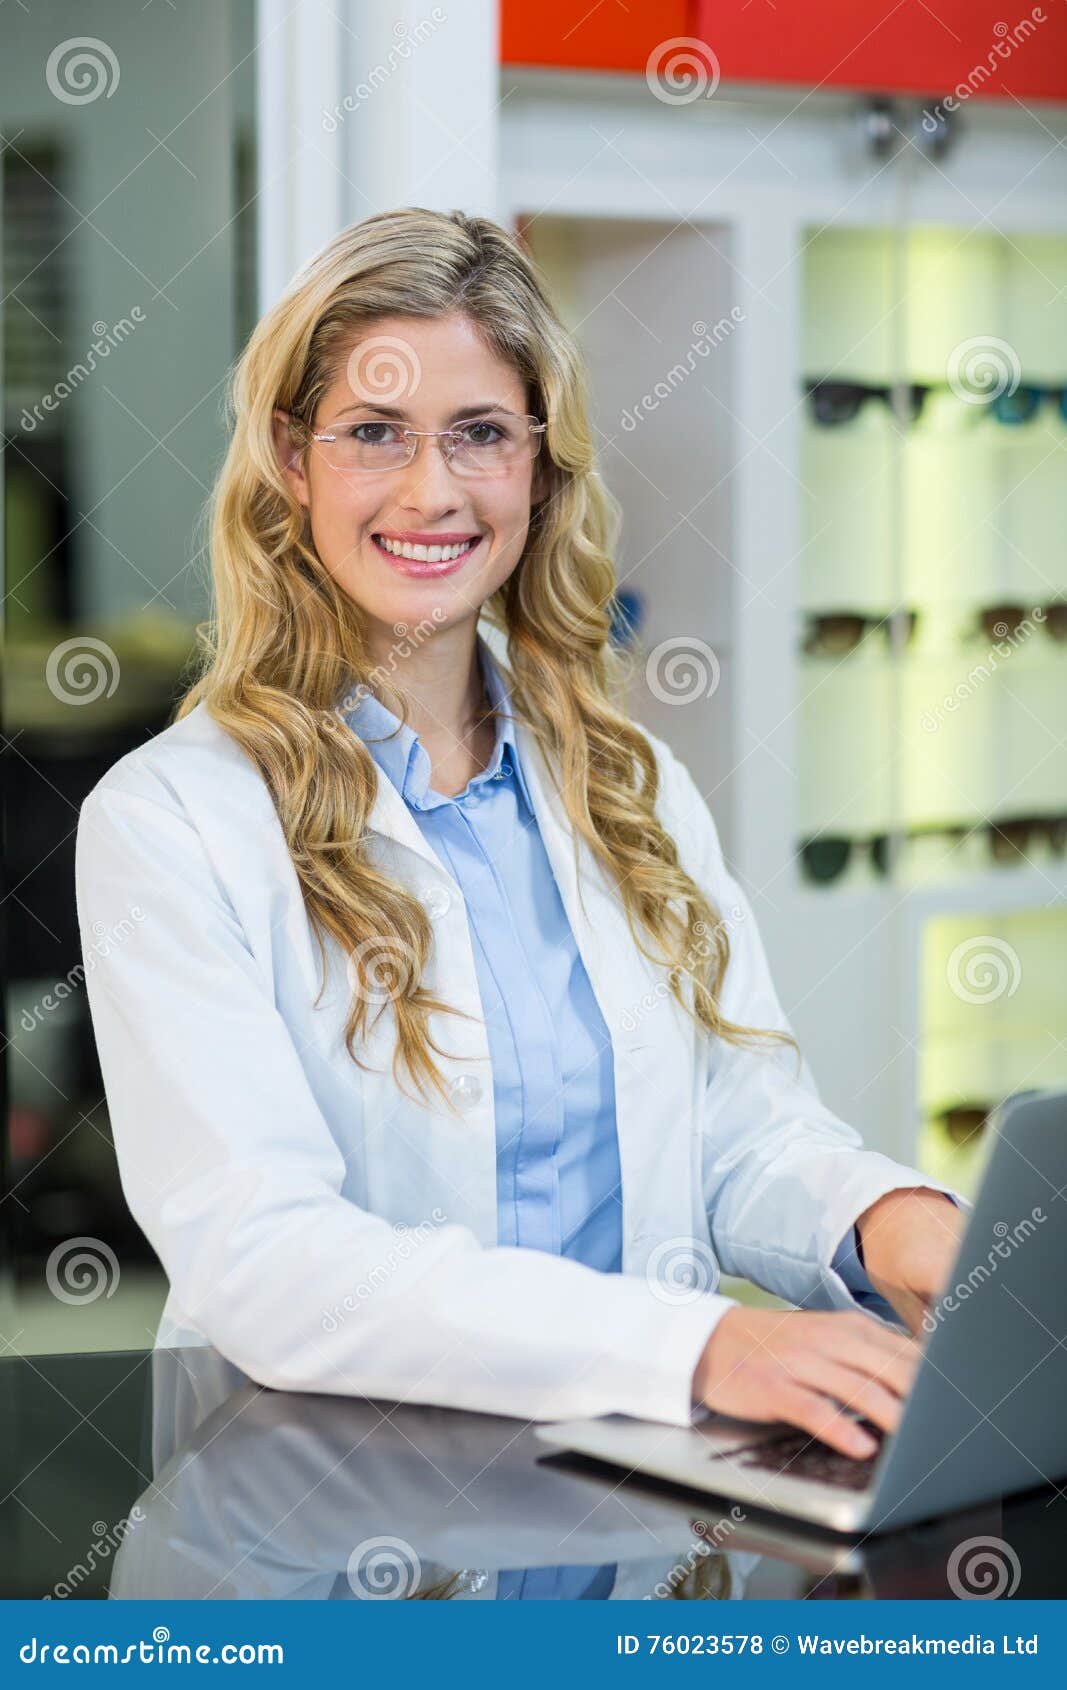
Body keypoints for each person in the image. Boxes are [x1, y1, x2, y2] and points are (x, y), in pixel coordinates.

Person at [75, 208, 965, 1462]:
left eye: (481, 434)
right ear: (292, 459)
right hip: (330, 1533)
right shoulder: (172, 822)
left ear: (540, 468)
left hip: (629, 1496)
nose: (431, 491)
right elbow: (270, 1261)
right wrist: (698, 1345)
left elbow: (739, 1128)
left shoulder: (629, 781)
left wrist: (883, 1217)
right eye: (374, 433)